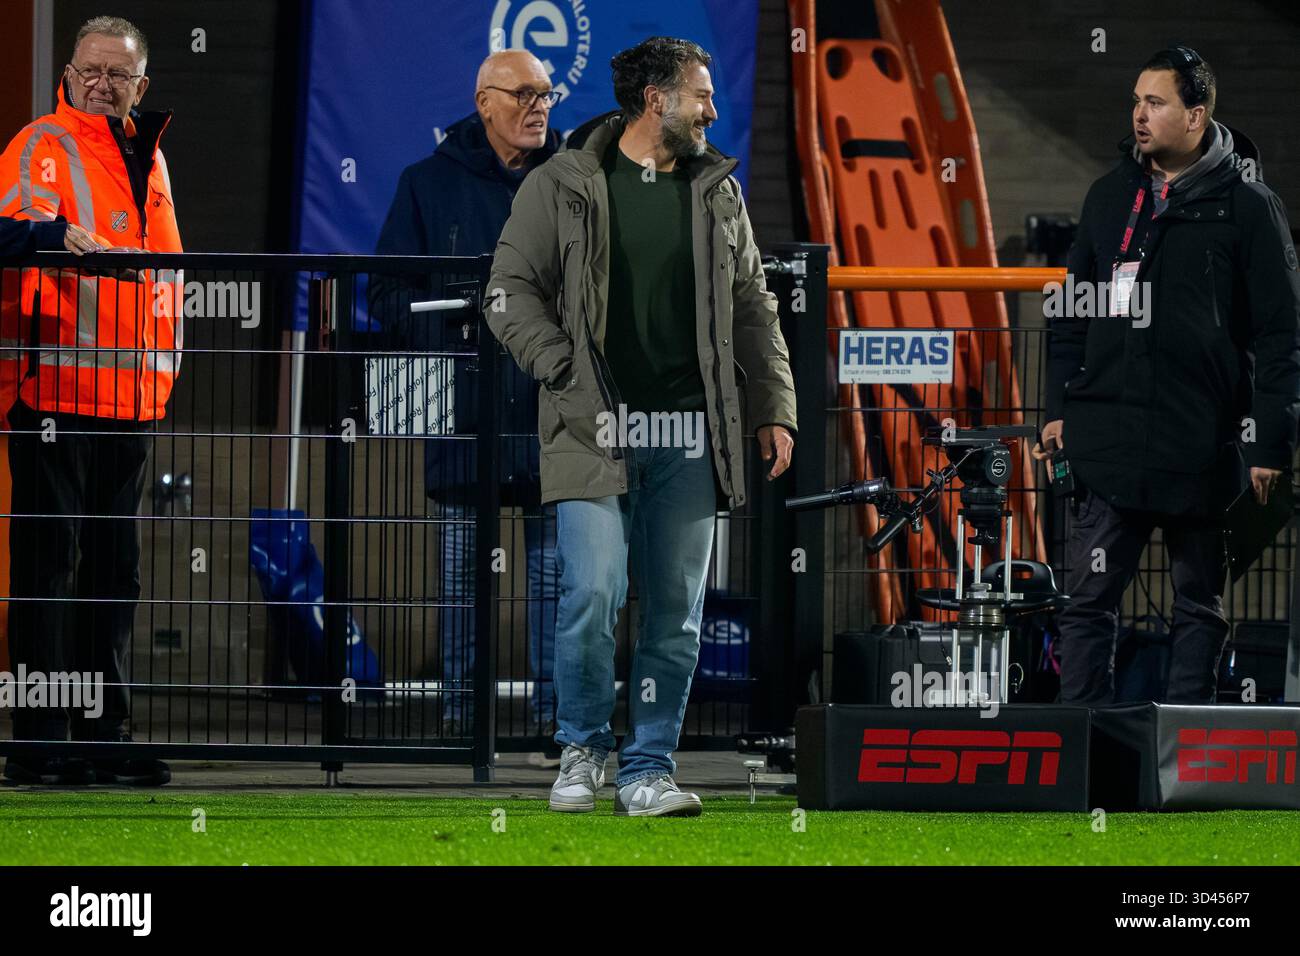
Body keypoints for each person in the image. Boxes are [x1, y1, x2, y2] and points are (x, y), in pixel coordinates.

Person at [486, 36, 797, 816]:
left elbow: (755, 306)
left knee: (675, 611)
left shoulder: (718, 188)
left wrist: (774, 407)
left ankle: (648, 767)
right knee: (592, 591)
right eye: (701, 94)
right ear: (656, 99)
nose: (714, 110)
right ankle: (583, 748)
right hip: (594, 429)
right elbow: (507, 290)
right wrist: (560, 365)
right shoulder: (562, 182)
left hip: (693, 434)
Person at [1035, 47, 1300, 705]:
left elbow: (1280, 338)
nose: (1139, 115)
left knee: (1198, 606)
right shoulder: (1108, 196)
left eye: (1155, 103)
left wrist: (1270, 445)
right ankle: (1083, 748)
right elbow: (1071, 313)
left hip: (1203, 445)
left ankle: (1186, 752)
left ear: (1196, 114)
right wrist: (1057, 410)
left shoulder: (1248, 207)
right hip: (1107, 438)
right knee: (1087, 601)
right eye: (1136, 101)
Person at [0, 16, 182, 785]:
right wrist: (50, 235)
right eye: (88, 72)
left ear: (141, 86)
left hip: (132, 398)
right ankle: (40, 739)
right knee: (52, 568)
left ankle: (102, 732)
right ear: (68, 75)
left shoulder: (151, 156)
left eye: (117, 75)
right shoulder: (43, 142)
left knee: (116, 571)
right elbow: (11, 224)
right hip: (56, 396)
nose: (100, 85)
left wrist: (162, 376)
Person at [369, 51, 563, 760]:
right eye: (523, 94)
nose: (538, 105)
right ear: (485, 102)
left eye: (545, 93)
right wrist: (465, 323)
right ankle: (462, 720)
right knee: (462, 577)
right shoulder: (426, 185)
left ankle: (557, 724)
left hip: (553, 417)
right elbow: (385, 296)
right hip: (464, 418)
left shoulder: (578, 182)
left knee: (555, 581)